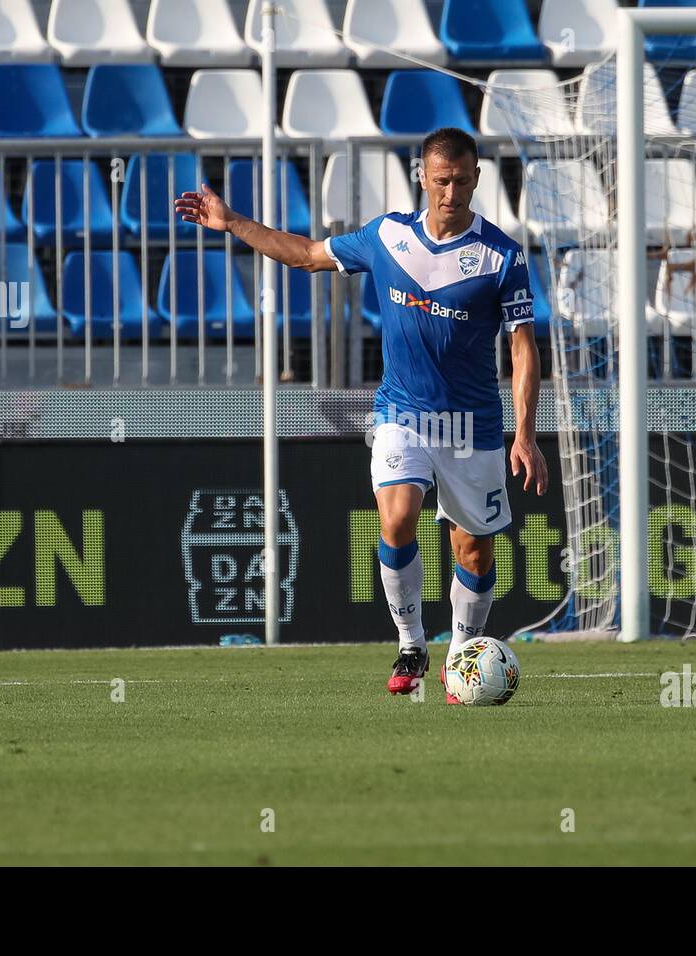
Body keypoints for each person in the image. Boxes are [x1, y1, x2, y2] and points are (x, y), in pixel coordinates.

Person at [176, 126, 547, 701]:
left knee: (472, 549)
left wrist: (524, 432)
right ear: (422, 177)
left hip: (473, 425)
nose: (452, 192)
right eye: (442, 180)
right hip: (402, 413)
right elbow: (304, 255)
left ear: (477, 178)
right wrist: (234, 222)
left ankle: (461, 658)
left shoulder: (501, 257)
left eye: (464, 180)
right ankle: (410, 643)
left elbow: (524, 347)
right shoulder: (388, 237)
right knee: (397, 518)